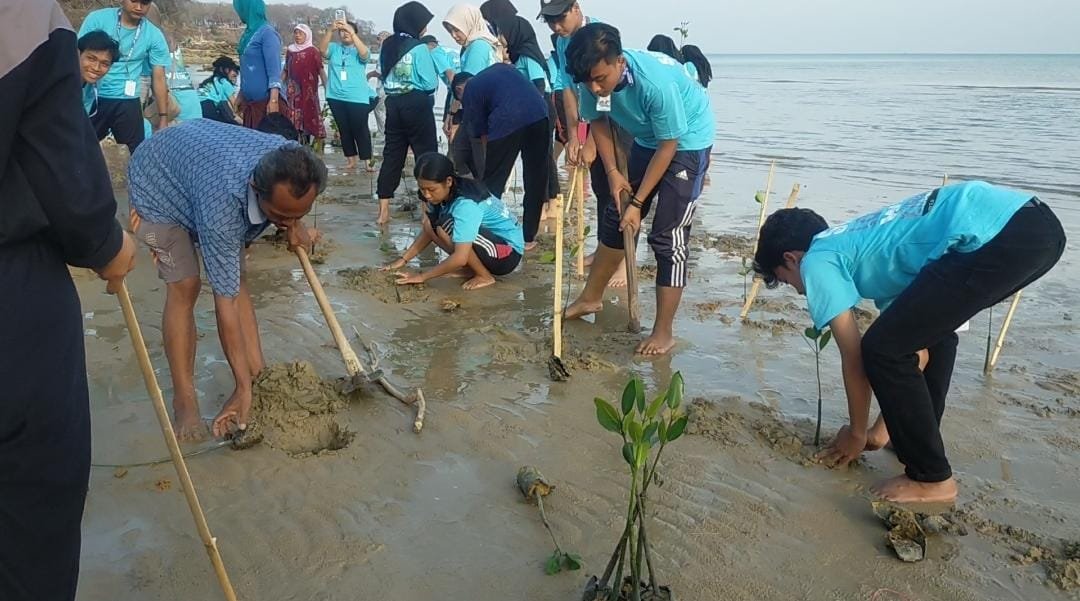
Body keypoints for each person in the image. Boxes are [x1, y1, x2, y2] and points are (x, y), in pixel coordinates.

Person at [752, 182, 1066, 504]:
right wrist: (879, 431)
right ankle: (909, 445)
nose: (798, 291)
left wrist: (857, 434)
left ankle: (932, 478)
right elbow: (920, 352)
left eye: (786, 280)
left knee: (880, 348)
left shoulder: (817, 259)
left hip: (1001, 233)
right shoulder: (876, 256)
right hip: (1038, 229)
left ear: (791, 258)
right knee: (931, 339)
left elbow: (855, 357)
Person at [1, 3, 137, 598]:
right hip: (13, 289)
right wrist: (107, 243)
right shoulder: (24, 15)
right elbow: (63, 169)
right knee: (32, 517)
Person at [127, 119, 326, 440]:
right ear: (255, 189)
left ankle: (258, 374)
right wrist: (240, 388)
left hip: (196, 157)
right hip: (156, 181)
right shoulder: (223, 208)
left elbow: (290, 205)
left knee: (236, 277)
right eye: (279, 215)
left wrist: (294, 225)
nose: (288, 221)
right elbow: (226, 303)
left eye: (298, 213)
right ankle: (185, 400)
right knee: (185, 285)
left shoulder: (298, 163)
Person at [563, 23, 715, 356]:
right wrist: (615, 174)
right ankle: (591, 298)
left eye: (601, 79)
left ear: (620, 62)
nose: (594, 87)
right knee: (616, 215)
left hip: (687, 140)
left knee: (667, 236)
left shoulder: (653, 84)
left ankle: (663, 332)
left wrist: (639, 201)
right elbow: (598, 123)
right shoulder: (590, 80)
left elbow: (669, 145)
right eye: (587, 81)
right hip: (648, 138)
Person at [540, 0, 631, 287]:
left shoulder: (596, 36)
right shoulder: (562, 42)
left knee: (619, 188)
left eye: (561, 18)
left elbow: (604, 90)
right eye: (550, 21)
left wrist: (590, 139)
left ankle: (626, 264)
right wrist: (574, 138)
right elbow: (569, 92)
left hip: (615, 119)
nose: (556, 26)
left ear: (576, 8)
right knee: (602, 189)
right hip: (590, 119)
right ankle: (605, 249)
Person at [383, 152, 524, 290]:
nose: (427, 195)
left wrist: (422, 277)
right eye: (422, 188)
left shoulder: (466, 204)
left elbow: (460, 257)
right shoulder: (443, 194)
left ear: (449, 181)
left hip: (507, 253)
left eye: (431, 189)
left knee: (446, 226)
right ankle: (472, 269)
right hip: (490, 243)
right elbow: (429, 230)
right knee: (430, 225)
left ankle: (484, 275)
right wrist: (403, 260)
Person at [456, 65, 551, 249]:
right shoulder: (501, 70)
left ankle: (487, 231)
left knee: (493, 182)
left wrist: (489, 163)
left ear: (460, 90)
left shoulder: (471, 90)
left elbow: (481, 135)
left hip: (507, 119)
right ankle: (528, 237)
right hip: (540, 113)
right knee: (536, 178)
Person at [77, 0, 171, 153]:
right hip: (93, 95)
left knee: (136, 152)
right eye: (134, 1)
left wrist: (163, 118)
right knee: (80, 147)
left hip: (127, 100)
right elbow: (77, 55)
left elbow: (159, 78)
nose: (139, 7)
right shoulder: (97, 19)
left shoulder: (154, 35)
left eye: (145, 3)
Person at [377, 2, 440, 225]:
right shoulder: (418, 47)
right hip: (417, 104)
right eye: (423, 25)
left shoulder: (386, 46)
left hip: (393, 104)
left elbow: (383, 76)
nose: (424, 29)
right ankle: (426, 209)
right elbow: (430, 83)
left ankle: (383, 211)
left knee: (392, 155)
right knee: (426, 155)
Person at [497, 15, 559, 219]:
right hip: (536, 107)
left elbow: (539, 84)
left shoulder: (527, 56)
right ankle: (551, 202)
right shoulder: (518, 56)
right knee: (544, 157)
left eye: (502, 33)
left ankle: (543, 205)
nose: (500, 38)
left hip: (539, 108)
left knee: (537, 160)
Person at [444, 4, 501, 177]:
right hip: (484, 112)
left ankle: (479, 196)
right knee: (465, 159)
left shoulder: (477, 47)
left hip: (480, 115)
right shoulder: (483, 44)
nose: (454, 36)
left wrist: (452, 114)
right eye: (451, 31)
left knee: (464, 159)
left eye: (457, 30)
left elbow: (466, 87)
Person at [320, 20, 376, 171]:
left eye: (348, 31)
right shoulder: (334, 48)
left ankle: (367, 161)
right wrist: (331, 30)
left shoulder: (359, 49)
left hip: (357, 97)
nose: (344, 34)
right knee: (344, 129)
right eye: (342, 32)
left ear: (354, 33)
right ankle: (351, 160)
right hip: (336, 95)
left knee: (360, 128)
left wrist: (351, 32)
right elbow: (322, 50)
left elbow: (365, 55)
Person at [233, 0, 283, 129]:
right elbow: (247, 70)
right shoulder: (247, 35)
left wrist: (273, 100)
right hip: (250, 103)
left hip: (266, 103)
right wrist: (241, 93)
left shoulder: (267, 34)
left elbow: (274, 71)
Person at [284, 24, 326, 146]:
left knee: (307, 117)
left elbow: (321, 71)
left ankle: (306, 145)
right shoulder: (290, 51)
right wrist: (275, 87)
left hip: (308, 92)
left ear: (307, 35)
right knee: (292, 118)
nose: (297, 36)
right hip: (293, 92)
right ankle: (294, 145)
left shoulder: (313, 51)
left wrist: (328, 88)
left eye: (300, 33)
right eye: (295, 33)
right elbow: (286, 70)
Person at [78, 30, 120, 116]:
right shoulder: (60, 80)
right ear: (78, 54)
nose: (96, 68)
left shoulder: (96, 83)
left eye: (105, 64)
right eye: (91, 59)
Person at [197, 56, 241, 123]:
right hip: (209, 106)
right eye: (234, 76)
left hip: (196, 105)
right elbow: (234, 104)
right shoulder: (224, 82)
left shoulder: (209, 81)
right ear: (225, 70)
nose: (234, 80)